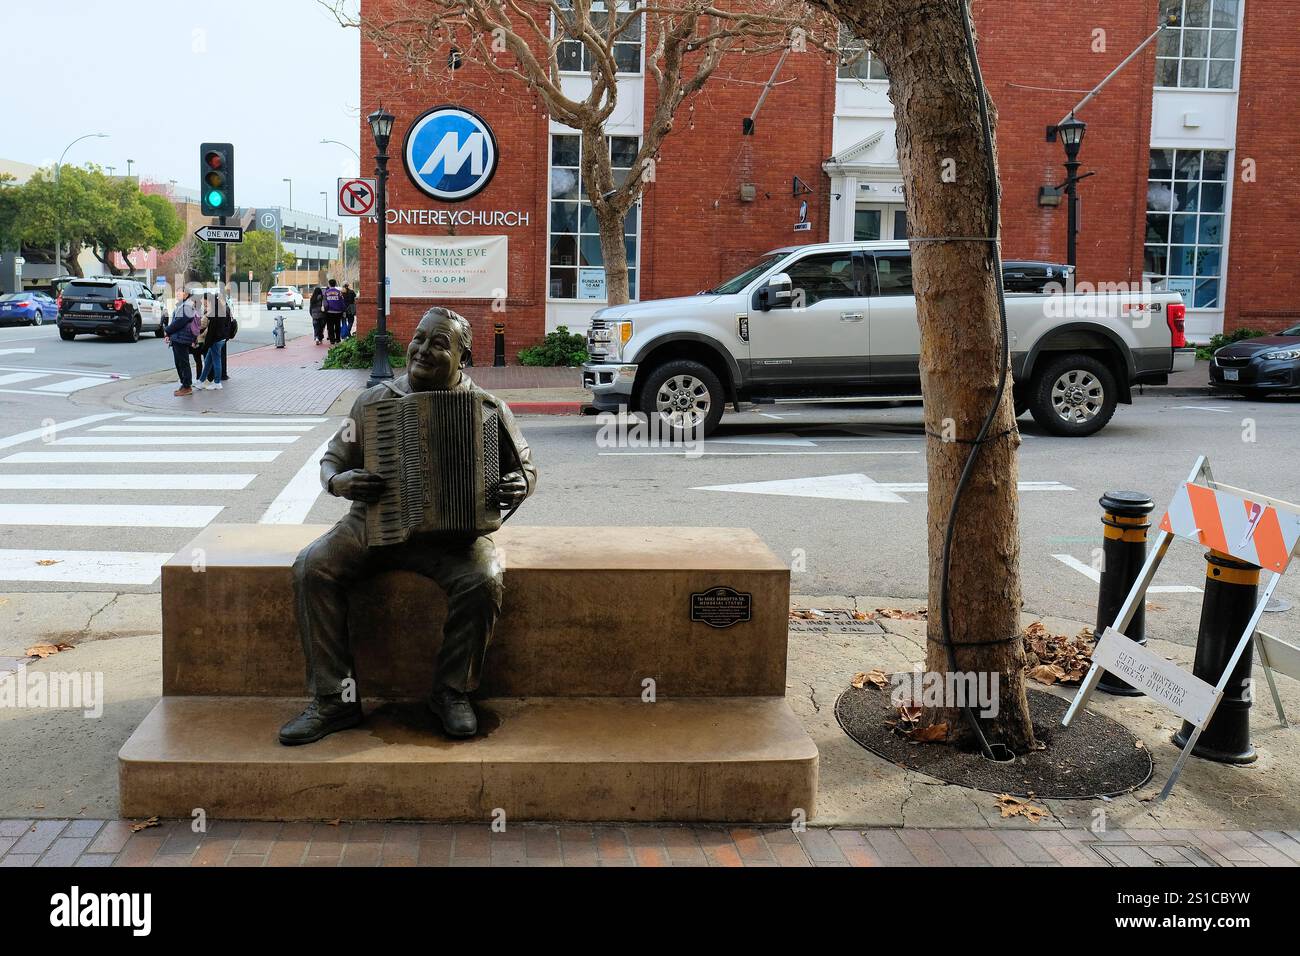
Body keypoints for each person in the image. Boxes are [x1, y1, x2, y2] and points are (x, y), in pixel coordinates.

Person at [279, 307, 537, 746]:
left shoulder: (489, 409)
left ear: (463, 358)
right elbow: (331, 461)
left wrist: (519, 484)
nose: (422, 349)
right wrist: (340, 483)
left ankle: (451, 692)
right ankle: (333, 700)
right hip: (373, 525)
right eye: (419, 338)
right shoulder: (372, 401)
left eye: (440, 343)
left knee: (484, 578)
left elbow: (526, 467)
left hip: (453, 538)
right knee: (311, 567)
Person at [164, 289, 199, 396]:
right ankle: (184, 384)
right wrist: (169, 334)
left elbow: (179, 322)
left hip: (182, 338)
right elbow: (175, 321)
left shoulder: (187, 306)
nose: (177, 294)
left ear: (186, 294)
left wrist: (167, 330)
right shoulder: (183, 305)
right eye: (177, 292)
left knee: (183, 362)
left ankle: (187, 386)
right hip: (178, 337)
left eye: (180, 292)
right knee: (179, 362)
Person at [196, 293, 230, 389]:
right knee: (208, 361)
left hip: (216, 340)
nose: (205, 303)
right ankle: (201, 381)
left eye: (207, 302)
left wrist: (207, 343)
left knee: (216, 361)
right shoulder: (223, 310)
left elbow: (211, 331)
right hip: (221, 339)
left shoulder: (214, 313)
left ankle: (217, 382)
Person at [322, 278, 346, 345]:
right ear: (335, 284)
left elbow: (325, 302)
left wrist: (325, 309)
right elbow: (342, 302)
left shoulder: (326, 292)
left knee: (330, 326)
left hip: (329, 312)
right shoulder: (339, 292)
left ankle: (332, 340)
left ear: (329, 284)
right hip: (338, 312)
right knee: (337, 326)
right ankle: (338, 339)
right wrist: (343, 310)